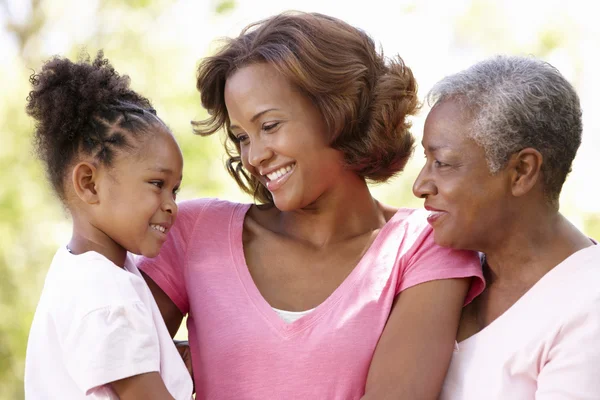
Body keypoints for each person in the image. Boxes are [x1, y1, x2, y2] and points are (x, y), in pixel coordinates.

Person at [139, 11, 484, 399]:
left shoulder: (424, 246)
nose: (254, 156)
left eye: (268, 126)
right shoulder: (193, 232)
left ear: (337, 111)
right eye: (241, 137)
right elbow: (106, 360)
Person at [413, 55, 600, 399]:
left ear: (522, 171)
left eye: (442, 163)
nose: (420, 186)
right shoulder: (437, 269)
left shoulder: (588, 306)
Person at [24, 52, 193, 399]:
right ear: (89, 183)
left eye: (175, 190)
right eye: (157, 184)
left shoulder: (80, 273)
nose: (172, 205)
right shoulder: (106, 295)